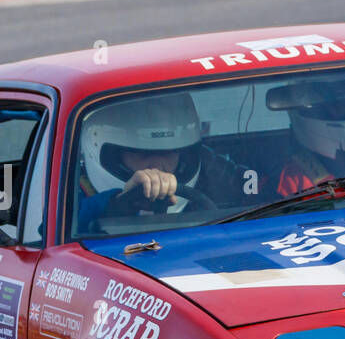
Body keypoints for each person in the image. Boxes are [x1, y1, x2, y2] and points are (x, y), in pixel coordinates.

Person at [76, 92, 245, 233]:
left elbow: (258, 191)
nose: (157, 167)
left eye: (168, 152)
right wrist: (114, 206)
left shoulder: (211, 169)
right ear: (112, 156)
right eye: (142, 153)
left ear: (183, 150)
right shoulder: (65, 186)